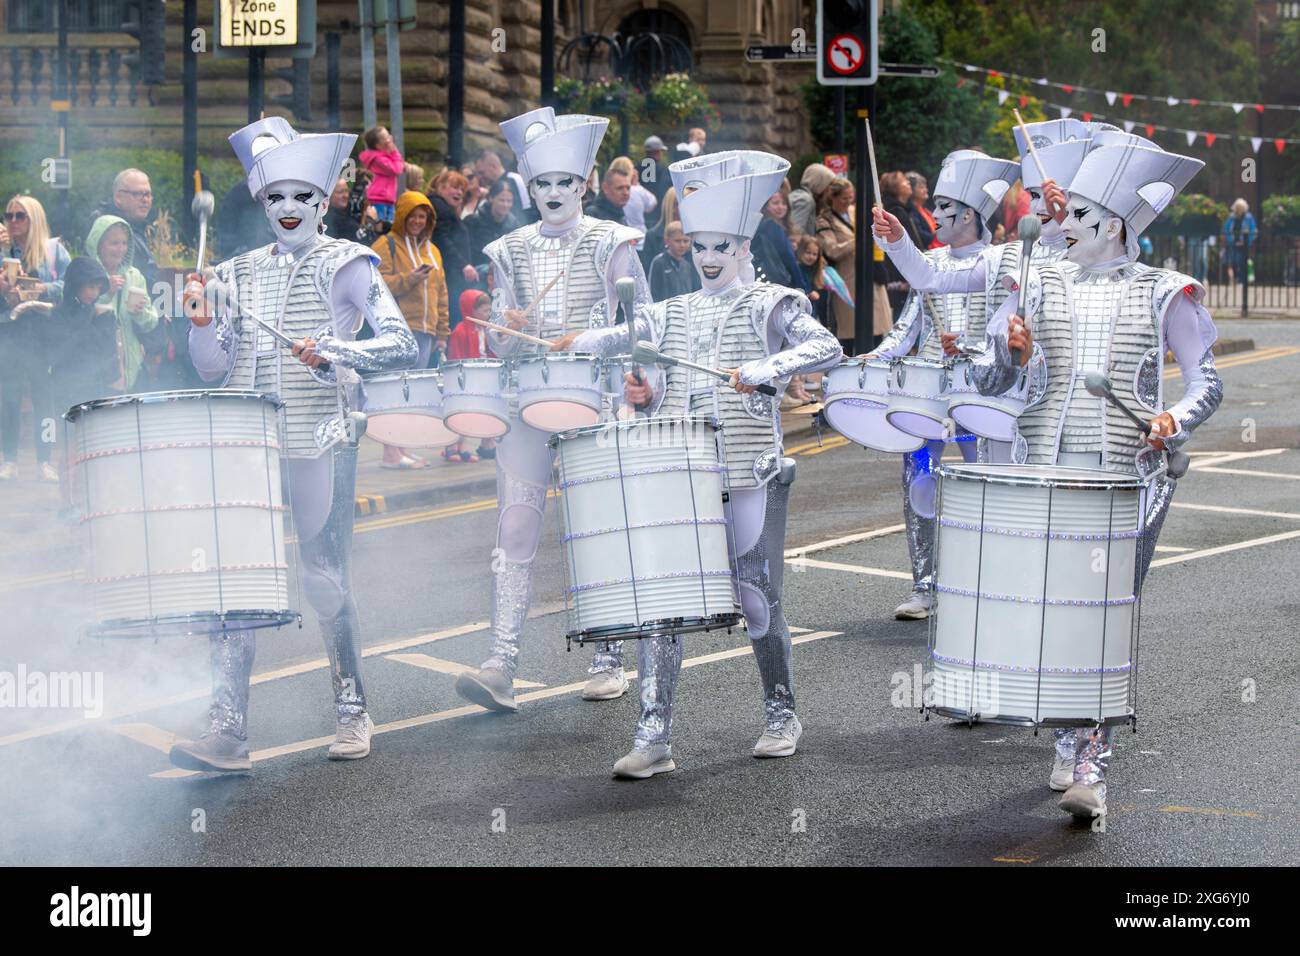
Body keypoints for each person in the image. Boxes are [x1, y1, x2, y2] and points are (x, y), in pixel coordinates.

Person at [969, 138, 1220, 821]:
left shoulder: (1166, 291)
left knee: (1104, 612)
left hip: (1130, 475)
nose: (1061, 223)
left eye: (1077, 212)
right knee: (1058, 609)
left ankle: (1091, 765)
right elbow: (991, 382)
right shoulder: (1035, 279)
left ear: (1113, 223)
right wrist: (1009, 353)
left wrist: (1171, 418)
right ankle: (1072, 733)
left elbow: (1207, 382)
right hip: (1050, 473)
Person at [570, 150, 842, 778]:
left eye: (721, 245)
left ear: (744, 245)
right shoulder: (674, 311)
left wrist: (766, 370)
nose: (709, 257)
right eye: (699, 246)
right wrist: (631, 382)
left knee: (756, 594)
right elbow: (631, 355)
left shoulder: (773, 300)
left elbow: (823, 345)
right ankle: (654, 734)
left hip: (752, 472)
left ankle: (780, 713)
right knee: (666, 604)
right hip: (684, 476)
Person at [174, 117, 417, 773]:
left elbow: (402, 345)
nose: (286, 209)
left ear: (321, 200)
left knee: (323, 577)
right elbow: (210, 366)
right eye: (273, 198)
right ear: (261, 202)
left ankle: (351, 708)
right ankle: (228, 729)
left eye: (299, 197)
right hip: (248, 445)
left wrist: (333, 351)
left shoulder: (350, 263)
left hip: (320, 436)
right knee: (237, 584)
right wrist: (200, 324)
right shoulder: (233, 272)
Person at [451, 106, 650, 713]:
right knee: (513, 527)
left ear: (585, 185)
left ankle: (609, 654)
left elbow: (644, 320)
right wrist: (505, 330)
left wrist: (590, 340)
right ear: (528, 187)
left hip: (596, 398)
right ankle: (501, 663)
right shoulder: (508, 248)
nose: (555, 193)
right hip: (525, 403)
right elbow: (499, 337)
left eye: (566, 182)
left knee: (596, 527)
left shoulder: (613, 240)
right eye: (543, 183)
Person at [868, 149, 1022, 620]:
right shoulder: (930, 261)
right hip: (928, 392)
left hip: (978, 391)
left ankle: (985, 579)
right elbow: (908, 328)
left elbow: (1005, 330)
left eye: (944, 208)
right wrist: (874, 356)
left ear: (971, 215)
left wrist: (972, 348)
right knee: (919, 481)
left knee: (984, 484)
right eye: (934, 206)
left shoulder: (1000, 263)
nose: (934, 215)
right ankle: (926, 585)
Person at [372, 190, 451, 469]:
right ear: (402, 216)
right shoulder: (386, 244)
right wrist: (410, 279)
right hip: (398, 331)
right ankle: (391, 453)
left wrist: (443, 332)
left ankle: (401, 449)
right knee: (394, 392)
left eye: (423, 216)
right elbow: (374, 287)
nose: (417, 221)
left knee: (410, 395)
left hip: (426, 331)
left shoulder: (433, 250)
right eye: (413, 215)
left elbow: (442, 293)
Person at [0, 196, 70, 481]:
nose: (14, 221)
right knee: (9, 396)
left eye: (21, 216)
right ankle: (9, 459)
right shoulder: (3, 249)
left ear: (34, 218)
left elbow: (69, 283)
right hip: (10, 327)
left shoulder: (53, 250)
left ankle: (44, 460)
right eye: (9, 215)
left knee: (44, 397)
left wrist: (41, 288)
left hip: (42, 328)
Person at [36, 257, 118, 487]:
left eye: (97, 287)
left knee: (95, 450)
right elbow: (55, 351)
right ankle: (68, 502)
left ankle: (92, 501)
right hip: (66, 392)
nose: (93, 292)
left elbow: (108, 355)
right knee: (71, 449)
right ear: (75, 285)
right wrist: (87, 325)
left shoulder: (103, 315)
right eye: (88, 286)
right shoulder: (58, 315)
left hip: (94, 390)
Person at [86, 214, 160, 393]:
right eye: (114, 243)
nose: (120, 249)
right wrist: (106, 293)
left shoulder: (135, 276)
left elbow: (151, 322)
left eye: (124, 243)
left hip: (132, 367)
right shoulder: (86, 275)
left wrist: (139, 313)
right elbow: (79, 317)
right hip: (97, 373)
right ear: (98, 245)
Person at [442, 288, 496, 464]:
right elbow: (456, 357)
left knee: (472, 413)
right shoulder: (460, 331)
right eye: (484, 311)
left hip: (481, 377)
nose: (488, 315)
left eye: (489, 310)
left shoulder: (486, 330)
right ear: (471, 310)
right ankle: (453, 447)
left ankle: (462, 446)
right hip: (465, 379)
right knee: (461, 413)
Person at [428, 169, 480, 327]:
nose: (459, 192)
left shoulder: (443, 207)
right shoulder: (441, 208)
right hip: (450, 275)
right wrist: (463, 264)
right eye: (454, 187)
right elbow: (441, 239)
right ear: (441, 187)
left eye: (462, 190)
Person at [815, 177, 859, 350]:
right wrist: (857, 240)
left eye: (851, 197)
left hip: (866, 277)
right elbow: (831, 249)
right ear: (833, 197)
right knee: (846, 330)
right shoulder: (824, 219)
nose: (848, 201)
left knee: (874, 327)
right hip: (844, 279)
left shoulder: (856, 211)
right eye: (844, 198)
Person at [879, 171, 923, 319]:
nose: (908, 183)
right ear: (895, 188)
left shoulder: (904, 209)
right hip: (902, 275)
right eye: (904, 182)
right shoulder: (896, 212)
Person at [750, 182, 807, 291]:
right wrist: (802, 286)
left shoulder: (759, 225)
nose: (781, 207)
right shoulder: (772, 226)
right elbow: (788, 258)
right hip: (780, 284)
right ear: (766, 206)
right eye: (775, 203)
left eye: (784, 203)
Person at [465, 178, 521, 267]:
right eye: (501, 200)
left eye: (509, 201)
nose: (505, 205)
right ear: (491, 198)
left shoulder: (514, 226)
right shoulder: (473, 222)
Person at [359, 126, 404, 224]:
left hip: (385, 199)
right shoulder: (379, 160)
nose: (391, 138)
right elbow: (396, 169)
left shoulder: (382, 158)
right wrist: (394, 152)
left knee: (388, 227)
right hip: (379, 199)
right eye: (386, 137)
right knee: (381, 228)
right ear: (378, 145)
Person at [648, 221, 699, 301]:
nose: (682, 245)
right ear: (667, 241)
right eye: (677, 241)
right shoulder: (658, 262)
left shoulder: (687, 265)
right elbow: (652, 292)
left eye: (686, 241)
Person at [611, 156, 658, 234]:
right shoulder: (637, 190)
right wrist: (636, 184)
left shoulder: (610, 190)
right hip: (639, 236)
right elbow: (652, 203)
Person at [789, 163, 833, 237]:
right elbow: (794, 233)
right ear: (820, 184)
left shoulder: (800, 195)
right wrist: (809, 243)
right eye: (828, 186)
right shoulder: (805, 200)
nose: (829, 192)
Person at [1222, 197, 1257, 284]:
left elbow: (1253, 231)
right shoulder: (1231, 218)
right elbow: (1225, 230)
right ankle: (1232, 280)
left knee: (1241, 263)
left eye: (1241, 208)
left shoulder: (1249, 218)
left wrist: (1246, 241)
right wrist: (1230, 240)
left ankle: (1241, 280)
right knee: (1231, 262)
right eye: (1238, 207)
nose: (1239, 209)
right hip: (1232, 244)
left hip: (1243, 245)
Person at [906, 171, 940, 249]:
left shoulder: (927, 209)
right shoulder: (911, 212)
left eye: (925, 187)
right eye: (921, 187)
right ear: (911, 190)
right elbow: (921, 236)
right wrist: (939, 233)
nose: (926, 190)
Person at [324, 177, 364, 242]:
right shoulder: (334, 219)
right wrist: (371, 220)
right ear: (328, 195)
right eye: (340, 192)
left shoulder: (347, 210)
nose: (346, 195)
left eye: (346, 191)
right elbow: (366, 241)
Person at [640, 135, 672, 203]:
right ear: (657, 152)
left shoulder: (636, 169)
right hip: (658, 209)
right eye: (661, 151)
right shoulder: (663, 170)